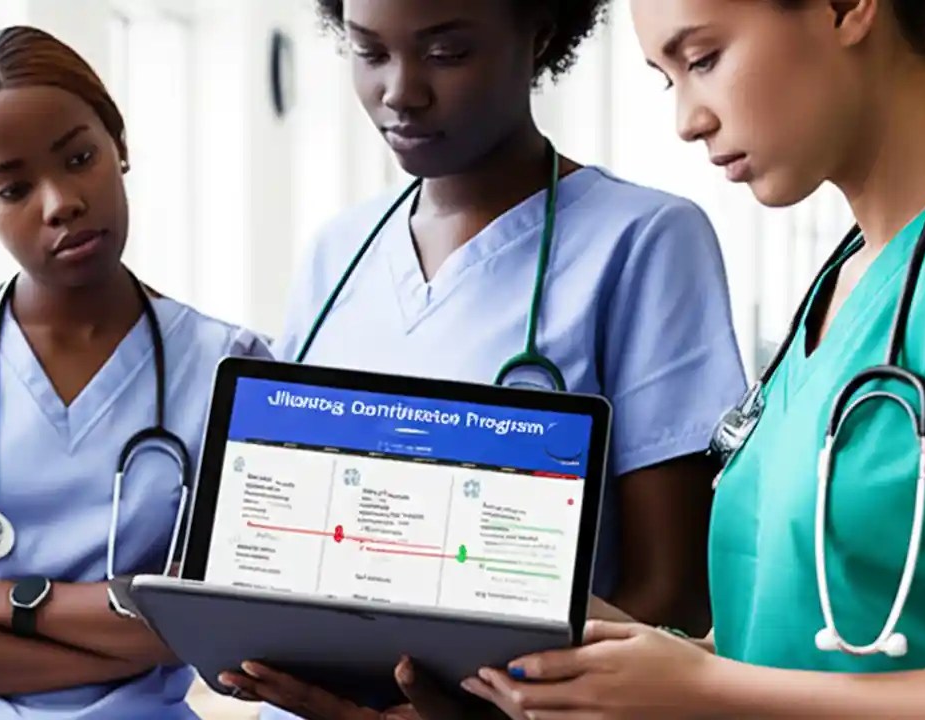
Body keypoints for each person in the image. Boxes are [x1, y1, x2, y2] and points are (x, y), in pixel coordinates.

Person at [430, 0, 925, 717]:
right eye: (670, 80)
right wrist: (578, 650)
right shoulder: (846, 276)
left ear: (847, 8)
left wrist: (707, 688)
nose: (688, 119)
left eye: (703, 60)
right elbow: (782, 656)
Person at [219, 0, 748, 717]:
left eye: (446, 54)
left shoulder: (645, 240)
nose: (400, 92)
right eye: (370, 52)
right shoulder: (336, 254)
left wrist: (479, 703)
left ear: (542, 33)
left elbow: (674, 591)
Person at [0, 26, 270, 718]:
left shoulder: (232, 368)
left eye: (80, 157)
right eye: (11, 188)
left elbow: (226, 629)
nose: (60, 201)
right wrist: (134, 632)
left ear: (119, 147)